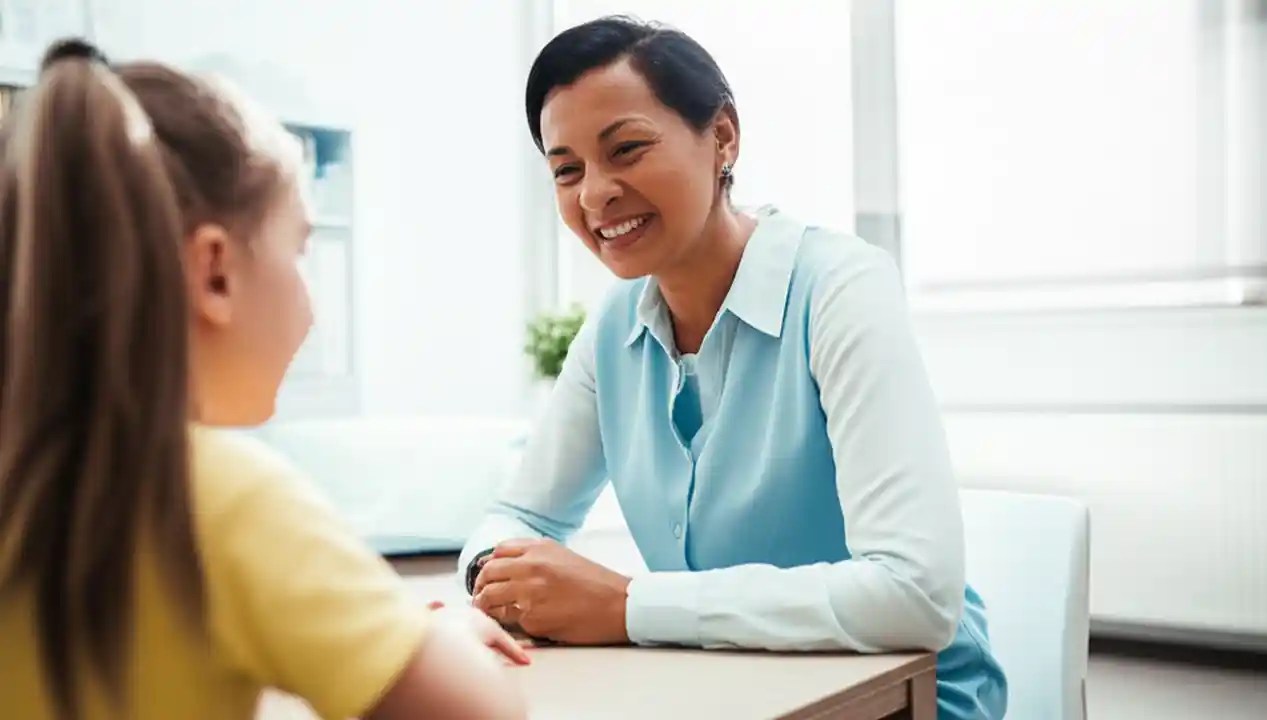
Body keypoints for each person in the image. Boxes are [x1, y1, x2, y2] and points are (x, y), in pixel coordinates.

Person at [460, 16, 1007, 719]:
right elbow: (520, 514)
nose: (594, 194)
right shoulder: (614, 327)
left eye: (626, 149)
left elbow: (915, 594)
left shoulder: (840, 289)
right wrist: (497, 575)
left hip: (904, 700)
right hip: (724, 692)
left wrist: (626, 605)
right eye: (567, 170)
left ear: (722, 136)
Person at [0, 39, 527, 720]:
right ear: (215, 272)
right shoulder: (219, 500)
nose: (311, 305)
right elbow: (479, 712)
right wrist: (432, 640)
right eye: (299, 248)